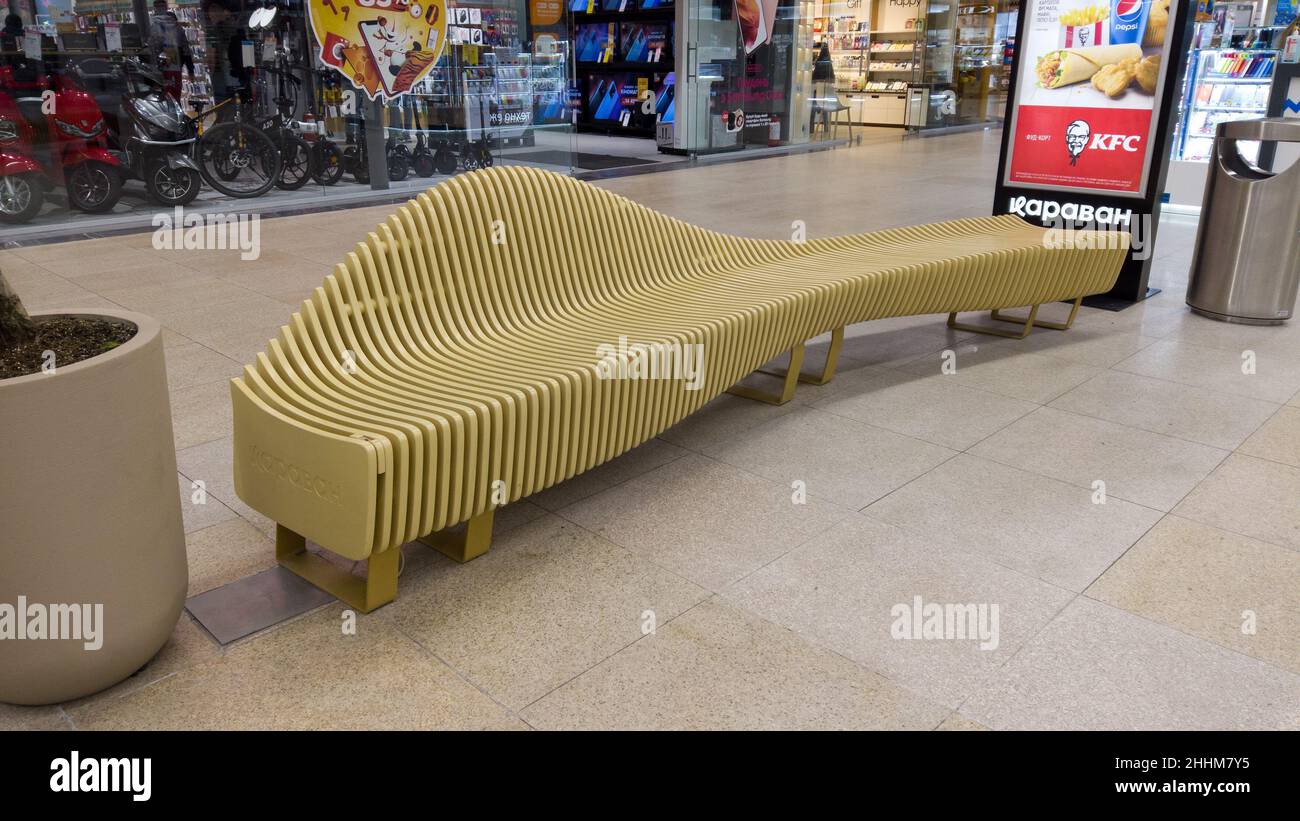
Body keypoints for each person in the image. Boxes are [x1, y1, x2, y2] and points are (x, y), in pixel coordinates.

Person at [150, 0, 194, 99]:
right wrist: (191, 70)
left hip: (159, 66)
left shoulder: (153, 25)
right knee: (175, 94)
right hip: (174, 65)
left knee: (163, 95)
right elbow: (185, 49)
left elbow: (150, 47)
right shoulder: (176, 27)